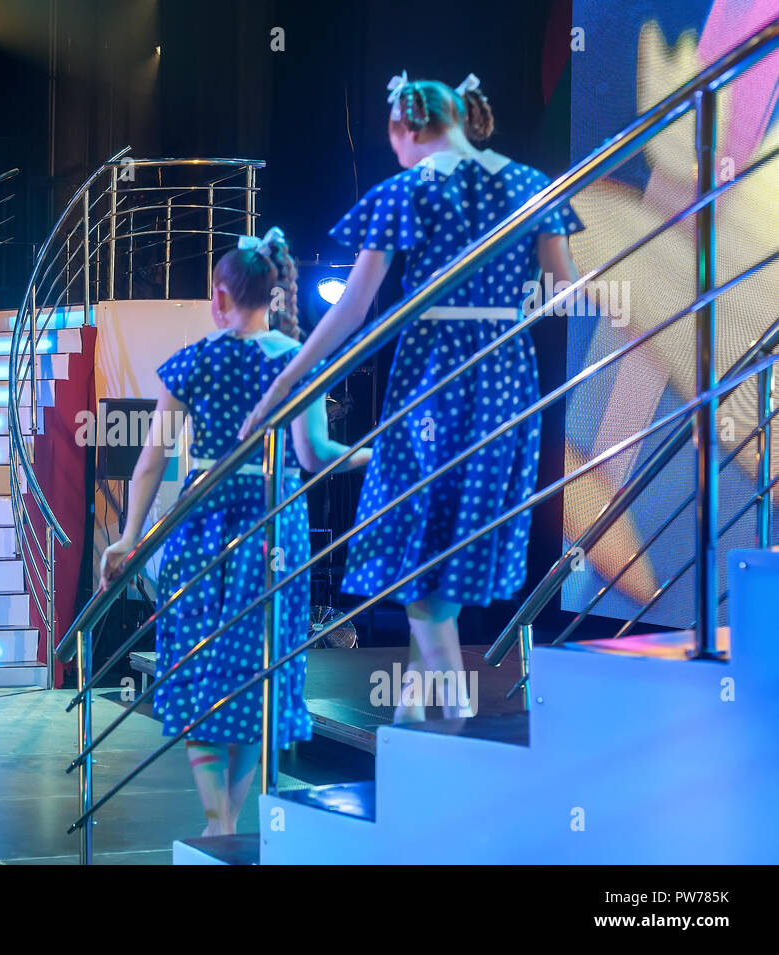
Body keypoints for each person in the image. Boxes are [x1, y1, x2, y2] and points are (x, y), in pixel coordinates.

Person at [241, 73, 585, 722]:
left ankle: (451, 714)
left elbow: (351, 311)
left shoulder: (406, 190)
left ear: (410, 127)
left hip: (435, 378)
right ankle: (409, 728)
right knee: (440, 570)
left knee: (423, 569)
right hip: (508, 381)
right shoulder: (528, 184)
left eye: (393, 135)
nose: (393, 149)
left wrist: (292, 380)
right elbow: (564, 293)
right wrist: (495, 309)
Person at [101, 227, 369, 837]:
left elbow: (151, 459)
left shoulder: (193, 360)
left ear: (219, 296)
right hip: (272, 523)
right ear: (271, 293)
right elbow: (316, 454)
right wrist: (376, 456)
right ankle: (229, 822)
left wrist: (129, 535)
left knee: (199, 666)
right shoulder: (294, 359)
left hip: (202, 517)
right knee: (256, 672)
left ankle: (216, 821)